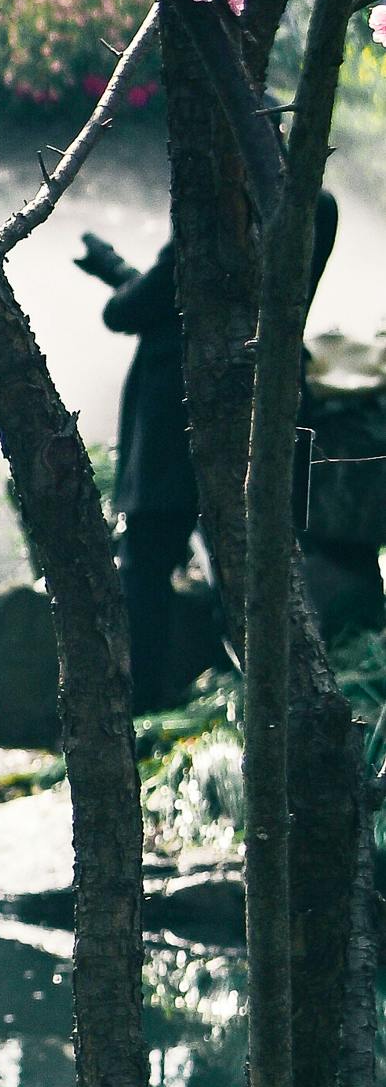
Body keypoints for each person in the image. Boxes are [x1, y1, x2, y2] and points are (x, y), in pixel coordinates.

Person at [80, 200, 339, 712]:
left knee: (145, 569)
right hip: (265, 404)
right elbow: (183, 298)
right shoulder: (317, 203)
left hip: (179, 419)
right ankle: (265, 699)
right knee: (255, 564)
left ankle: (143, 708)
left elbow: (131, 311)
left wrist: (112, 269)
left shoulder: (221, 202)